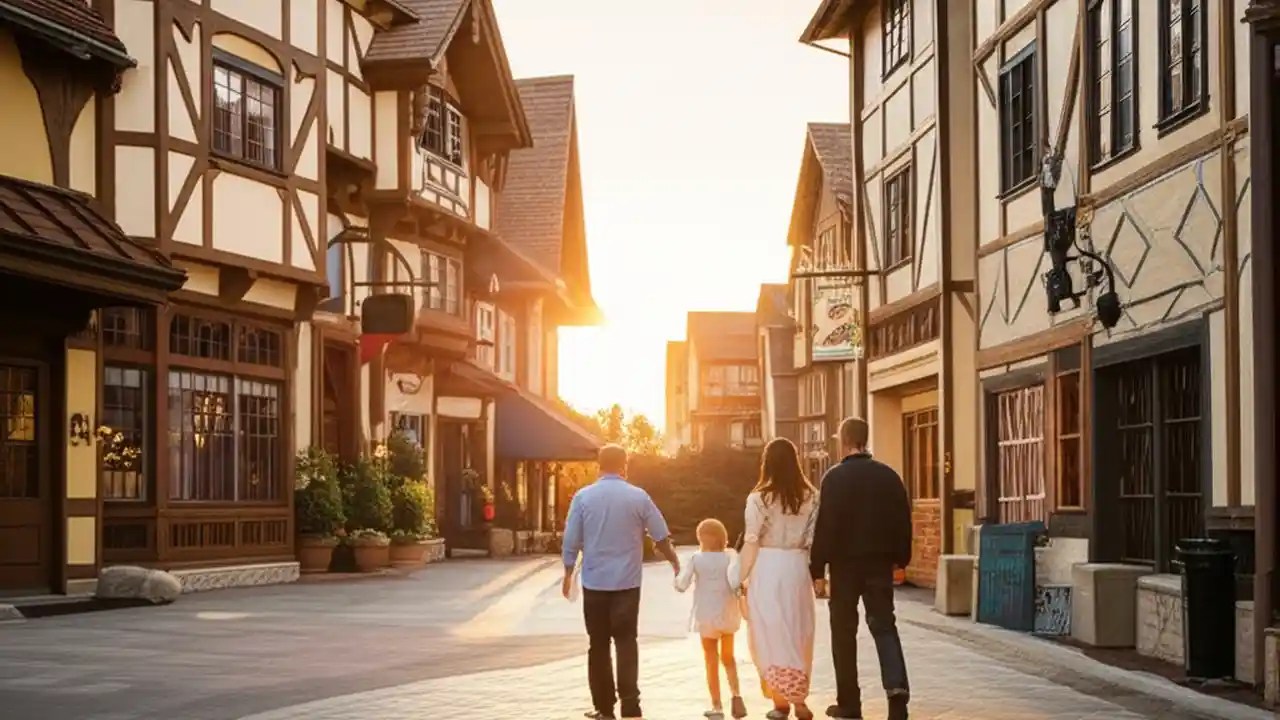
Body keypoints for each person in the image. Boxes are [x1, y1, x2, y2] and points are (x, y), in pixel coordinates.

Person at [562, 444, 680, 720]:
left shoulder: (583, 497)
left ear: (599, 466)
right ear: (624, 466)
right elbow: (660, 534)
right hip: (627, 583)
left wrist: (568, 572)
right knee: (627, 641)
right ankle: (631, 705)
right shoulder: (638, 497)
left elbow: (571, 539)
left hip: (595, 583)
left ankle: (604, 709)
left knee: (598, 644)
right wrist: (673, 561)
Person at [810, 417, 912, 720]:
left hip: (844, 566)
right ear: (865, 439)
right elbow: (902, 520)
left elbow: (824, 527)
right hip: (879, 563)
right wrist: (900, 559)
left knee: (843, 632)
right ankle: (897, 696)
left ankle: (849, 703)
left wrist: (817, 569)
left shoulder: (834, 478)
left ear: (843, 440)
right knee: (884, 625)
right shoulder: (888, 476)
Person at [736, 437, 820, 720]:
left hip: (767, 567)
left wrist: (739, 575)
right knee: (799, 631)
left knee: (771, 631)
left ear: (767, 462)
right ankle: (801, 700)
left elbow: (751, 541)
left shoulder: (758, 498)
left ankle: (781, 702)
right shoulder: (812, 496)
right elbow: (812, 540)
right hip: (797, 567)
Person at [674, 518, 748, 719]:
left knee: (710, 659)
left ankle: (717, 706)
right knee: (728, 657)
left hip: (706, 616)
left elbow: (681, 585)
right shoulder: (731, 555)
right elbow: (736, 579)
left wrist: (676, 575)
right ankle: (736, 696)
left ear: (701, 539)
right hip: (727, 614)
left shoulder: (696, 559)